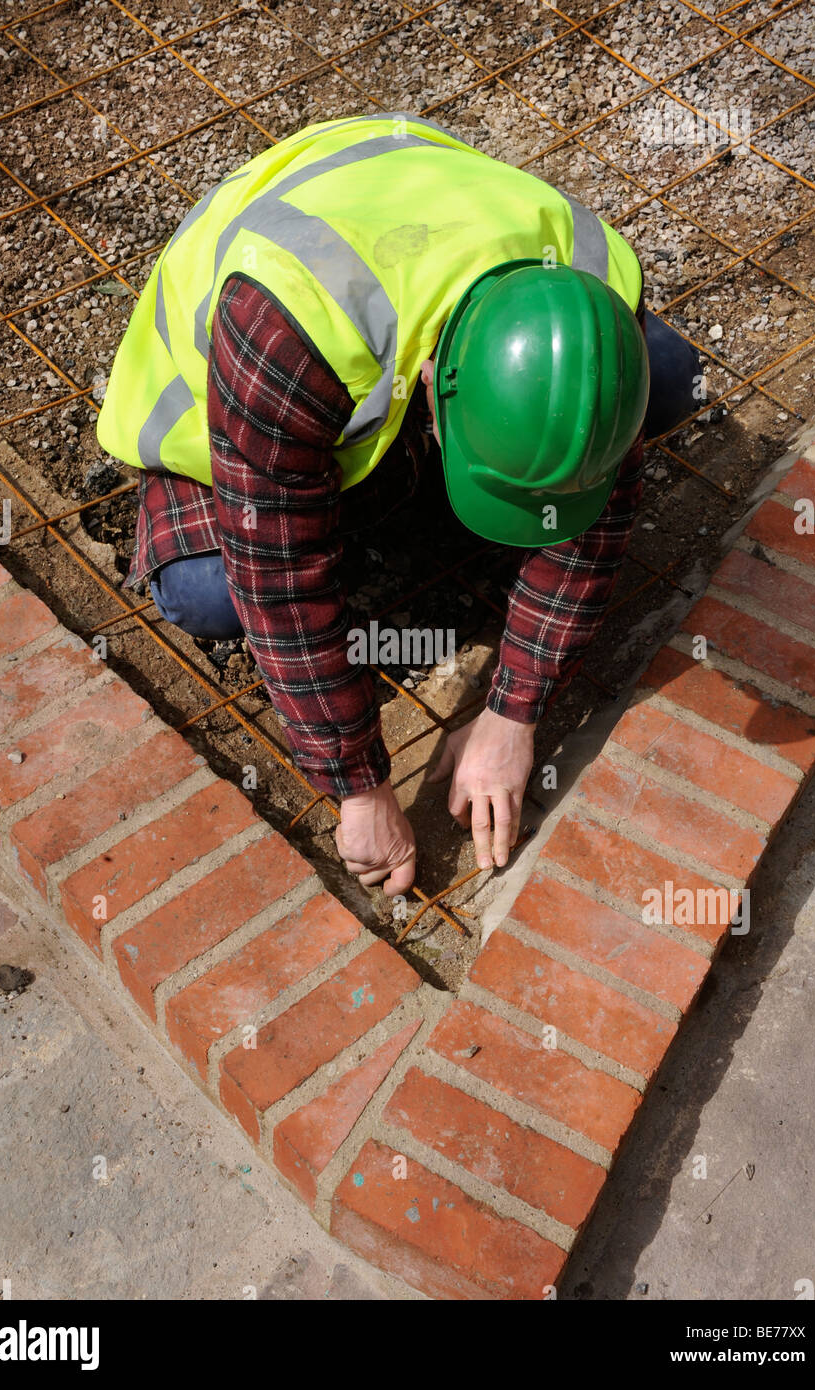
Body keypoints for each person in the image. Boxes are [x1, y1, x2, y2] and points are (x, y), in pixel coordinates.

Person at [97, 111, 701, 897]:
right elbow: (280, 579)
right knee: (211, 594)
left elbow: (596, 509)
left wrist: (512, 714)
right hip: (229, 411)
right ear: (429, 391)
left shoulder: (590, 295)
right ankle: (374, 486)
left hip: (409, 264)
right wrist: (358, 787)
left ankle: (425, 483)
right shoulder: (288, 324)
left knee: (666, 373)